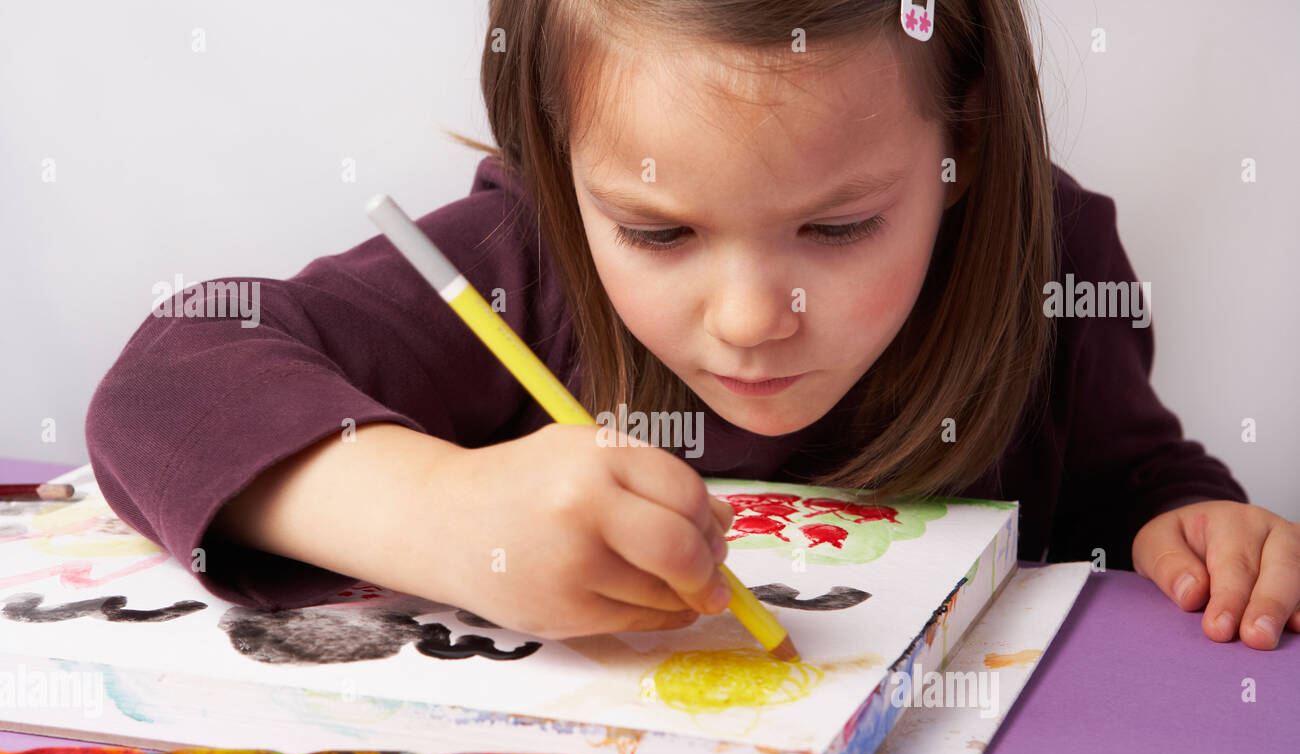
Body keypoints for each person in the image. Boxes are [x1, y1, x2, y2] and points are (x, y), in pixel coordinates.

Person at [85, 0, 1296, 649]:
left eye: (838, 228)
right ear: (564, 170)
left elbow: (1129, 484)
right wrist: (435, 514)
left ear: (958, 151)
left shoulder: (1052, 268)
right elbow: (167, 381)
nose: (752, 318)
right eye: (659, 233)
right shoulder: (520, 263)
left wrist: (1190, 526)